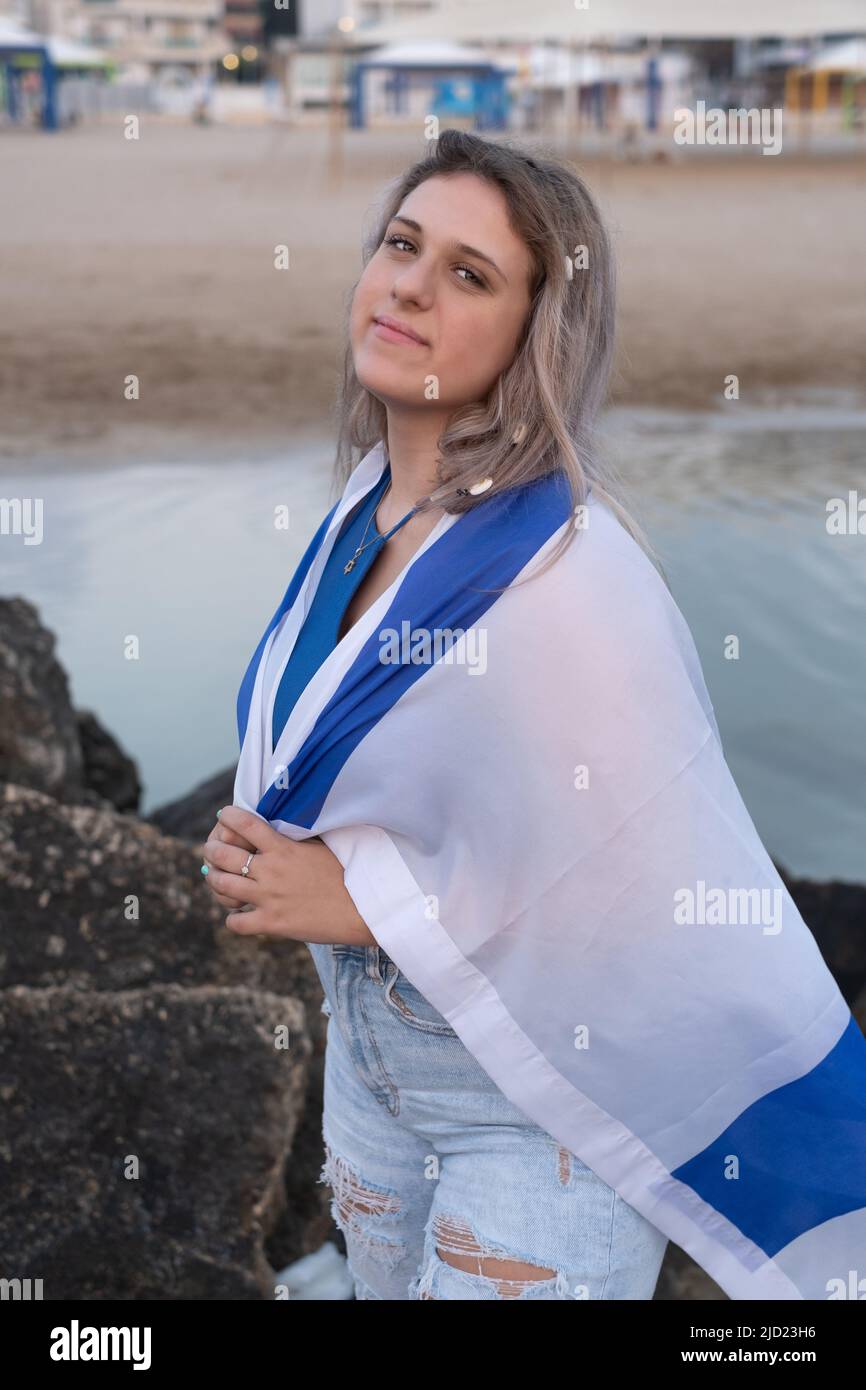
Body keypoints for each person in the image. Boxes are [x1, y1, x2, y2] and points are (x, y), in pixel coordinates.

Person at [201, 131, 866, 1302]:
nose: (409, 282)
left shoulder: (569, 577)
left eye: (469, 274)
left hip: (530, 1114)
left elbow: (638, 889)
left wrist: (361, 902)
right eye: (401, 245)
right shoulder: (366, 512)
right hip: (371, 1078)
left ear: (531, 330)